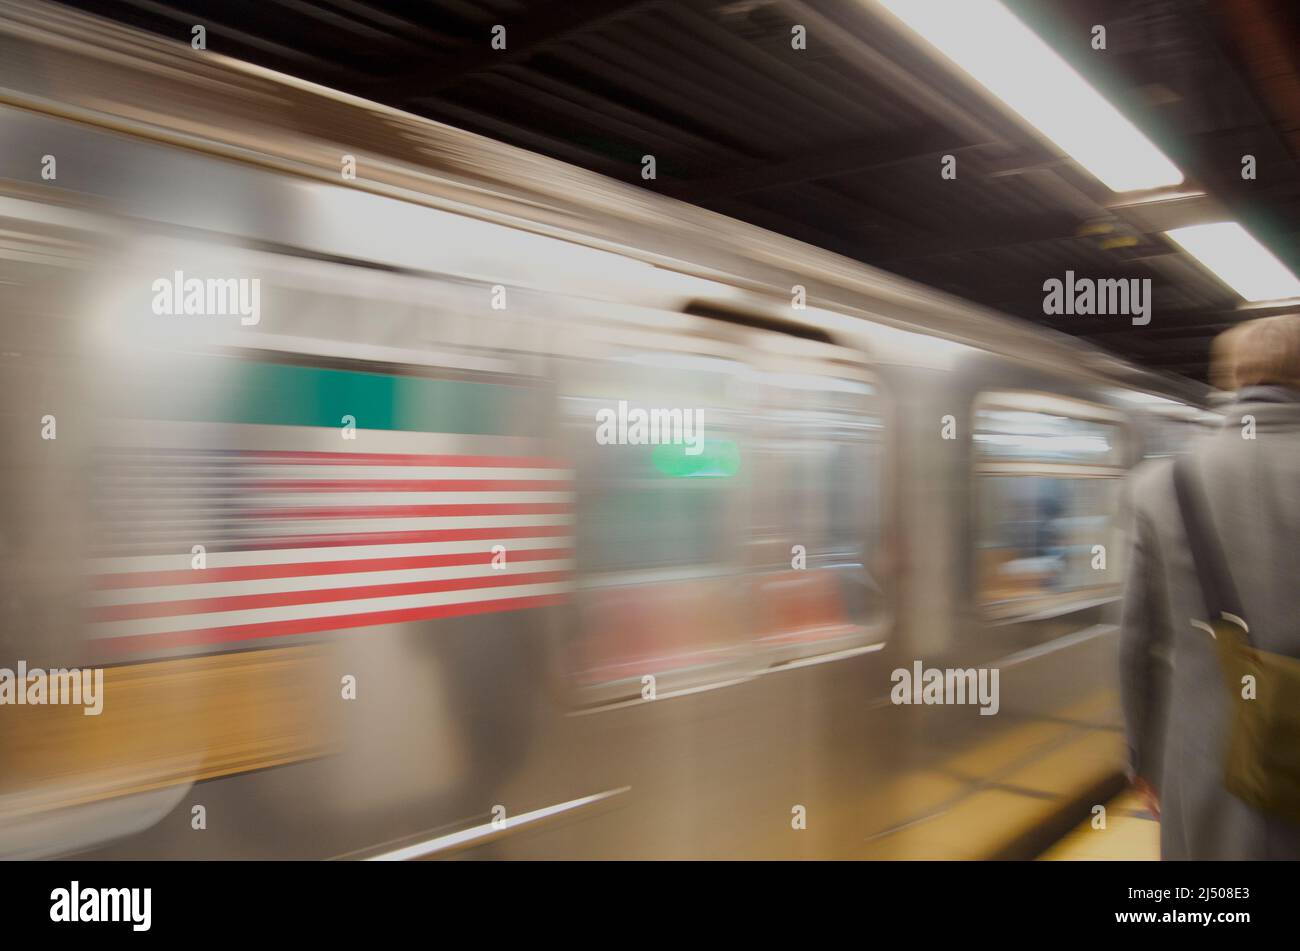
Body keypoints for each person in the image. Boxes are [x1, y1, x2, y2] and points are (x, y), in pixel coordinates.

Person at [1119, 314, 1300, 859]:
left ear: (1232, 379)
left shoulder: (1160, 486)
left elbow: (1138, 645)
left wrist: (1144, 760)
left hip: (1204, 770)